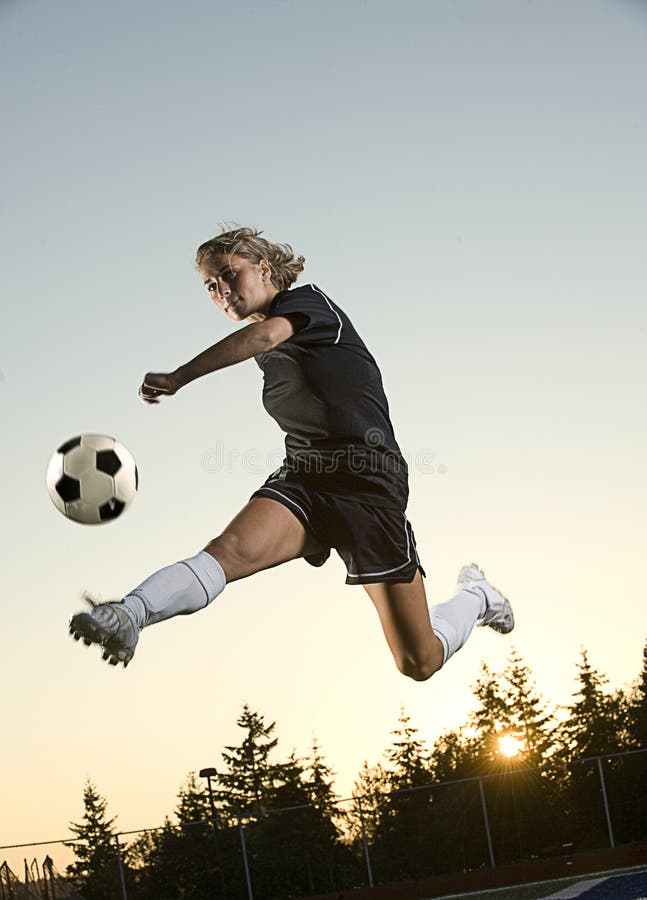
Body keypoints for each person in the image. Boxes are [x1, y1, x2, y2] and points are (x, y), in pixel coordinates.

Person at [70, 226, 514, 674]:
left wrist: (178, 377)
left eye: (229, 273)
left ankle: (475, 595)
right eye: (210, 285)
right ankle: (131, 614)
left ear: (263, 268)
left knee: (418, 661)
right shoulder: (266, 345)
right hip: (306, 475)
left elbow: (260, 338)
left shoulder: (306, 305)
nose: (222, 290)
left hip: (368, 482)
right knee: (228, 552)